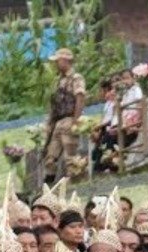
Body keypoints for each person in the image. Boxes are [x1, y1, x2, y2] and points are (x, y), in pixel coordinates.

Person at [44, 48, 87, 181]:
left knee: (70, 154)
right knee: (51, 155)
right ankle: (49, 183)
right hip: (58, 121)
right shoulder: (58, 80)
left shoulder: (76, 78)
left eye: (58, 61)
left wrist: (76, 120)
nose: (56, 64)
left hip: (69, 119)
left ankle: (74, 180)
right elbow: (54, 103)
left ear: (65, 61)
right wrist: (50, 122)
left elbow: (80, 98)